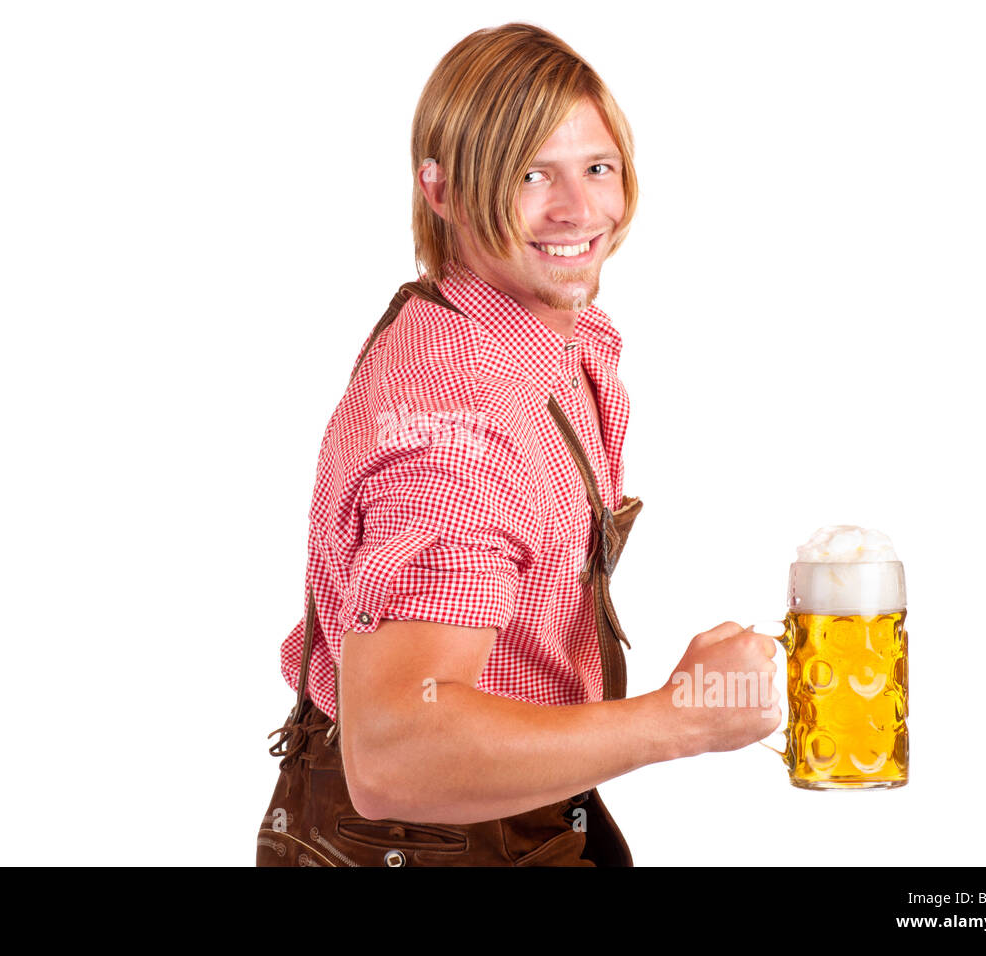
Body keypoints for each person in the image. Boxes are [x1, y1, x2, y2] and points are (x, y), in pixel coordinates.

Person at [257, 22, 780, 868]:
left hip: (513, 819)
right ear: (441, 191)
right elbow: (398, 752)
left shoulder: (533, 337)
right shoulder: (461, 420)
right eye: (531, 174)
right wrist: (679, 718)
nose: (580, 211)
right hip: (433, 840)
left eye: (597, 168)